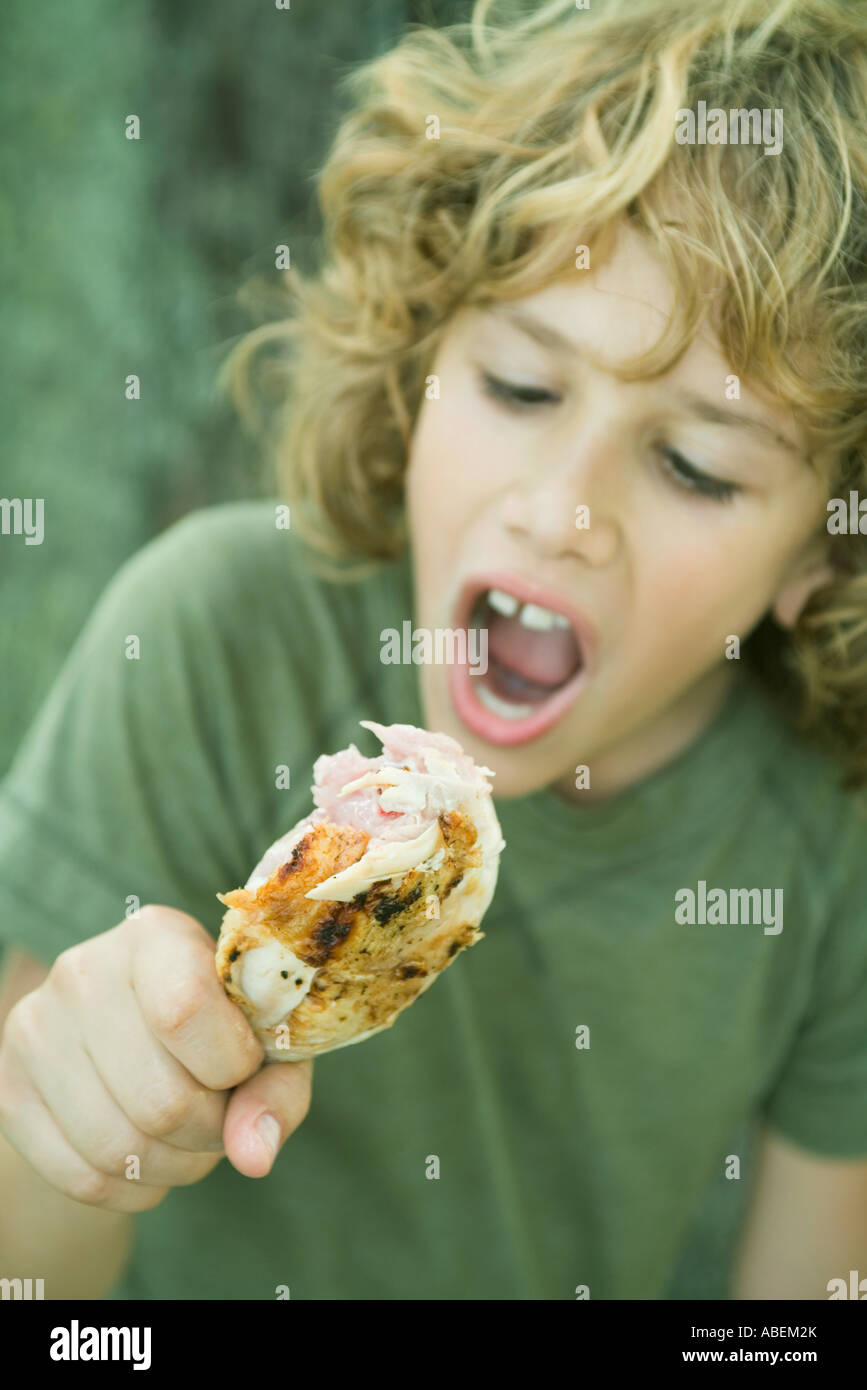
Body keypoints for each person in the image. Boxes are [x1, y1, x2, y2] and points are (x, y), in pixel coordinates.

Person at [1, 0, 865, 1300]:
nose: (562, 510)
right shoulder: (206, 642)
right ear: (421, 363)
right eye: (522, 387)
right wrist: (75, 1134)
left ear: (823, 556)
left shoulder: (829, 840)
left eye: (694, 464)